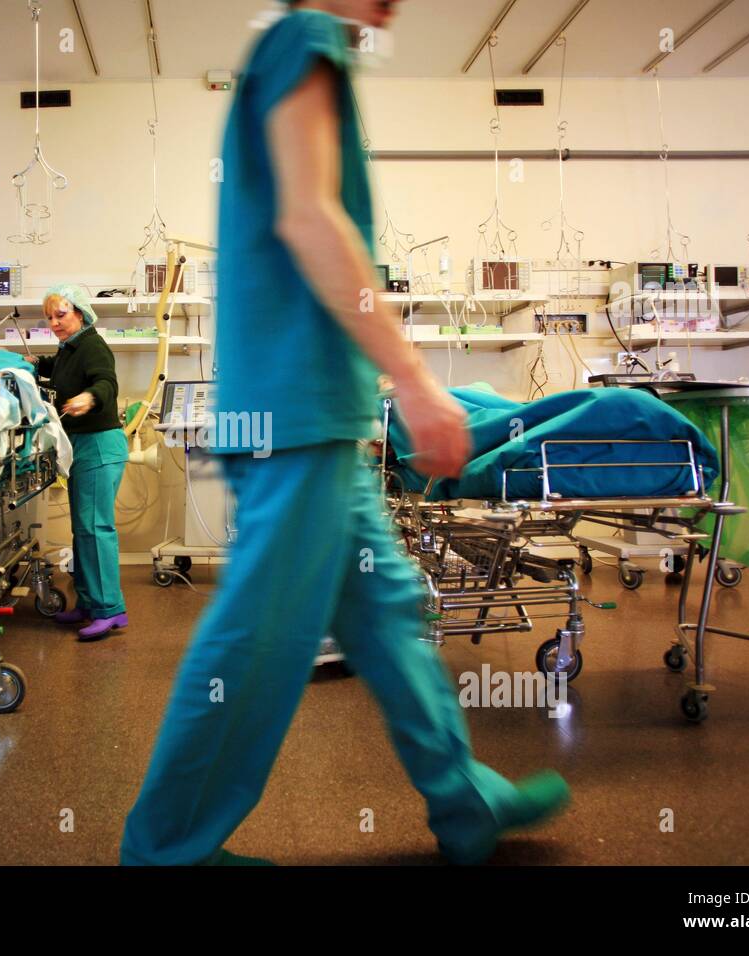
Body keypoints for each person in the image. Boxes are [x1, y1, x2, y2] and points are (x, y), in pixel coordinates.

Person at [121, 0, 569, 866]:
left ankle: (464, 799)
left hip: (314, 410)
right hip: (297, 413)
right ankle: (166, 850)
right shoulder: (304, 42)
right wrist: (414, 380)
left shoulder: (299, 55)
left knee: (388, 616)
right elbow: (311, 218)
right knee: (255, 642)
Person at [31, 283, 129, 642]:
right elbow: (53, 367)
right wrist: (22, 362)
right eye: (50, 317)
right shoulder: (69, 350)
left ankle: (110, 611)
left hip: (98, 447)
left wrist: (90, 397)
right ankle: (89, 603)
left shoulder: (92, 346)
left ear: (82, 313)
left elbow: (106, 382)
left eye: (61, 315)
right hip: (82, 448)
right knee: (83, 531)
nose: (55, 322)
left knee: (96, 529)